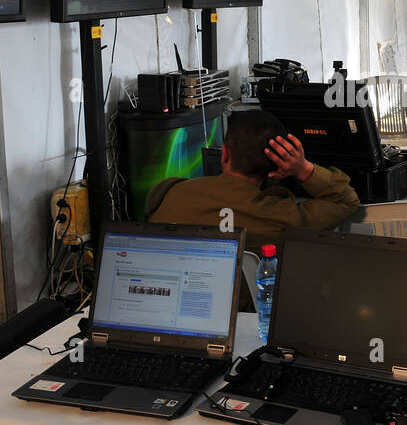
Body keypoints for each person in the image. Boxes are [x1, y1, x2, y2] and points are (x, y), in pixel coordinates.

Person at [146, 110, 360, 307]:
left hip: (164, 318)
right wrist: (303, 168)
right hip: (241, 327)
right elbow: (345, 201)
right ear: (278, 166)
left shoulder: (169, 194)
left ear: (225, 154)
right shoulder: (281, 217)